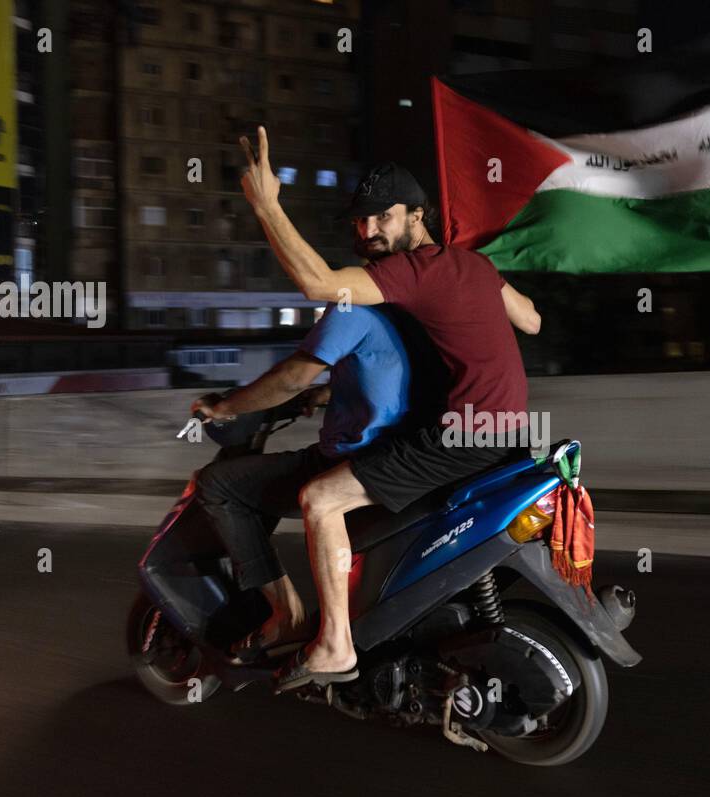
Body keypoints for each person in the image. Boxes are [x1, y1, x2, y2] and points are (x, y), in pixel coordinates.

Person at [231, 127, 542, 693]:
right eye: (361, 219)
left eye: (384, 217)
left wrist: (266, 203)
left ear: (417, 216)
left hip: (463, 438)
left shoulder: (415, 273)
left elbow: (318, 283)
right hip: (507, 432)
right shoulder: (473, 266)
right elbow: (532, 320)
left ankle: (333, 644)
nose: (368, 230)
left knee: (319, 499)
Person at [191, 301, 443, 664]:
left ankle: (286, 616)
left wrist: (224, 407)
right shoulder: (407, 312)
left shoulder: (350, 310)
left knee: (217, 484)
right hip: (402, 453)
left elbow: (290, 378)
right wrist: (326, 393)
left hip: (355, 459)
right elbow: (384, 371)